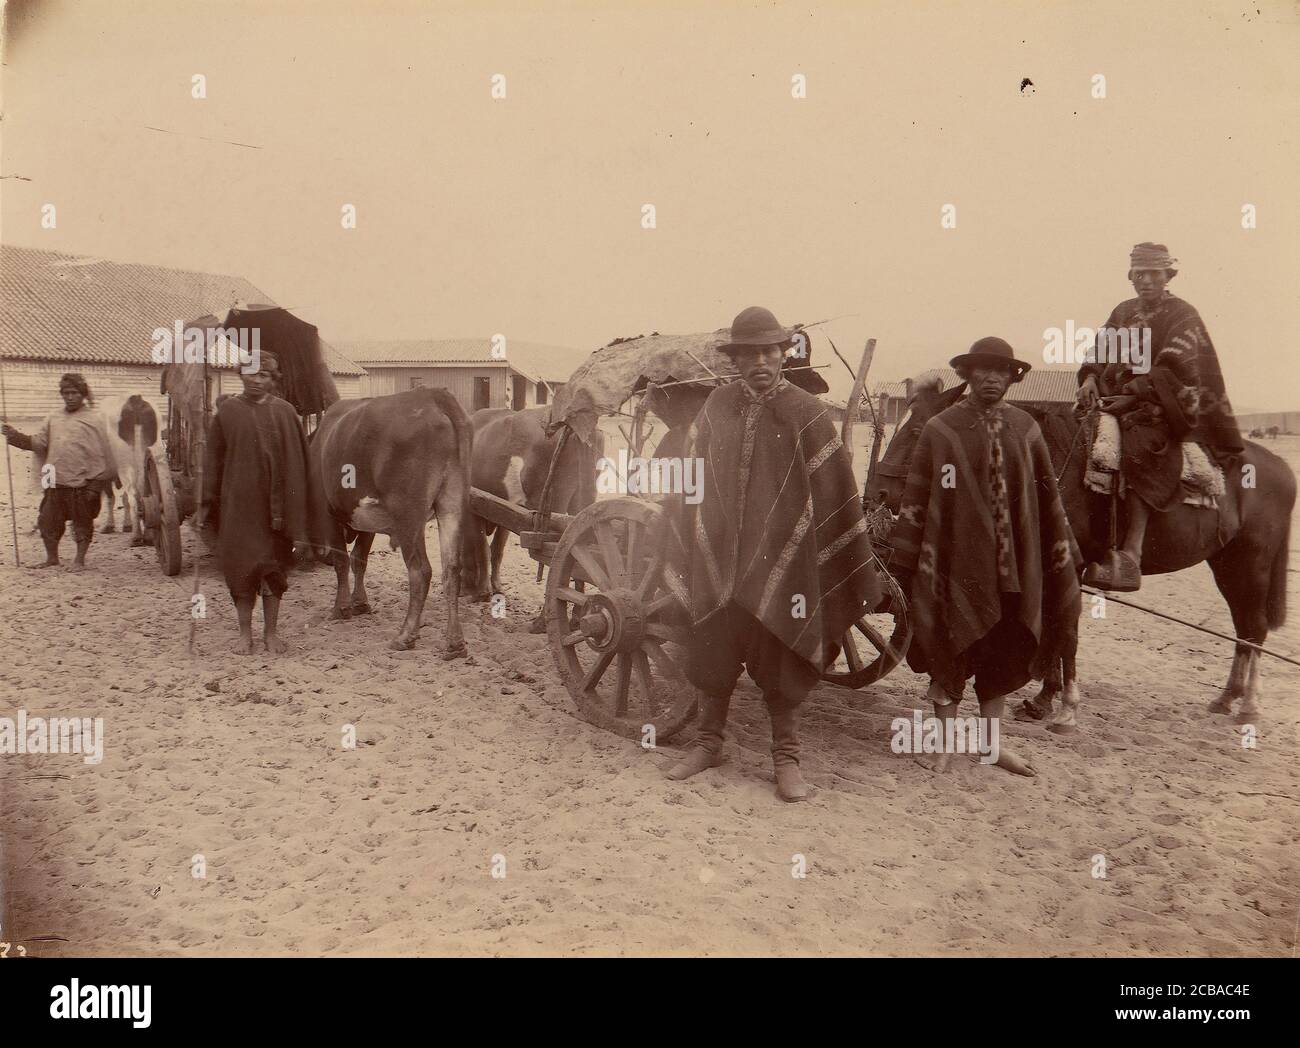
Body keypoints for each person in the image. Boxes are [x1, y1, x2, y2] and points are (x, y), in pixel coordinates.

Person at [665, 306, 881, 801]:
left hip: (784, 567)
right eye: (749, 354)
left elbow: (833, 492)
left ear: (784, 355)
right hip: (719, 557)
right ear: (736, 359)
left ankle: (786, 758)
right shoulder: (716, 406)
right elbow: (693, 474)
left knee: (780, 657)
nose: (760, 361)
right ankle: (708, 742)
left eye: (769, 351)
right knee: (714, 649)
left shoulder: (807, 413)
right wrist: (683, 524)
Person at [887, 337, 1080, 777]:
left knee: (1002, 650)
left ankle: (992, 746)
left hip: (1014, 571)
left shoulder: (1026, 430)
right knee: (950, 649)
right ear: (968, 375)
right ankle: (941, 745)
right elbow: (917, 496)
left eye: (1001, 370)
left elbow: (1047, 502)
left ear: (1013, 377)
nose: (992, 378)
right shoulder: (941, 429)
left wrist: (1053, 558)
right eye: (983, 369)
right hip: (953, 566)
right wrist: (907, 561)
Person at [1076, 242, 1243, 591]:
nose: (1145, 280)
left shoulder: (1183, 314)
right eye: (1139, 274)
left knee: (1142, 443)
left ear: (1167, 275)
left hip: (1160, 406)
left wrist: (1134, 395)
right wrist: (1090, 376)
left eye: (1153, 273)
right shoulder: (1122, 311)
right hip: (1113, 397)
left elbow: (1177, 369)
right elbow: (1100, 349)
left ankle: (1132, 552)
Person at [201, 352, 311, 655]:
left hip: (278, 510)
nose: (255, 380)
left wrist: (299, 516)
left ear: (272, 380)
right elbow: (213, 463)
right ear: (240, 374)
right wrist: (207, 504)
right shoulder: (227, 413)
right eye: (250, 373)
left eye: (263, 375)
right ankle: (244, 635)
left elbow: (301, 465)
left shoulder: (287, 413)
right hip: (239, 507)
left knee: (274, 570)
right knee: (242, 570)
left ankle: (271, 634)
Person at [2, 373, 117, 571]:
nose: (70, 397)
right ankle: (52, 558)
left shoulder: (95, 419)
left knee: (82, 523)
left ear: (83, 394)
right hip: (55, 481)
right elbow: (39, 443)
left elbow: (105, 455)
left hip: (83, 483)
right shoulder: (53, 418)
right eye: (65, 393)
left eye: (74, 393)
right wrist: (14, 436)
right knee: (47, 521)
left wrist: (96, 486)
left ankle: (79, 560)